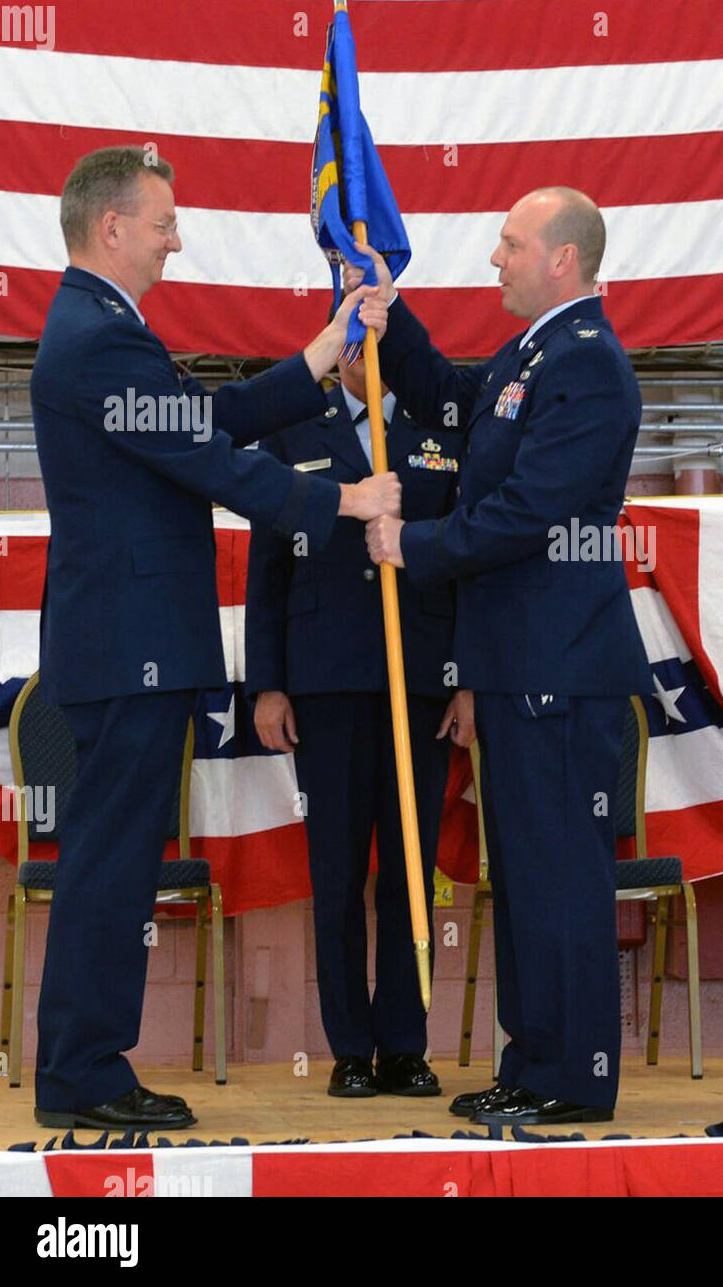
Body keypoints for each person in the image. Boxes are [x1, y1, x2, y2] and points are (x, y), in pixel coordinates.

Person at [30, 146, 399, 1132]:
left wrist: (326, 348)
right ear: (112, 228)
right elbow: (210, 460)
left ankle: (81, 1063)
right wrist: (342, 497)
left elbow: (207, 416)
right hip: (128, 646)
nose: (176, 237)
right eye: (162, 222)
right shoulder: (100, 337)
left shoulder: (99, 327)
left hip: (126, 646)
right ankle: (84, 1071)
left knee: (109, 860)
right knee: (110, 865)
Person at [356, 187, 649, 1124]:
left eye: (510, 244)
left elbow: (535, 512)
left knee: (561, 876)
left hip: (560, 665)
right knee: (522, 874)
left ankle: (575, 1081)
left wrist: (417, 547)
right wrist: (387, 318)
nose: (495, 259)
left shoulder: (589, 365)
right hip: (520, 663)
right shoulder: (532, 354)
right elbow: (450, 401)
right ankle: (532, 1064)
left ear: (562, 258)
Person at [245, 359, 469, 1098]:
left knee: (411, 870)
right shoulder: (293, 429)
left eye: (374, 330)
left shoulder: (441, 425)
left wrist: (467, 675)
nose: (360, 349)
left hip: (422, 680)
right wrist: (269, 683)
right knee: (335, 871)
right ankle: (348, 1048)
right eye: (349, 331)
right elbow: (268, 565)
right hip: (326, 679)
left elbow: (469, 554)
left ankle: (405, 1046)